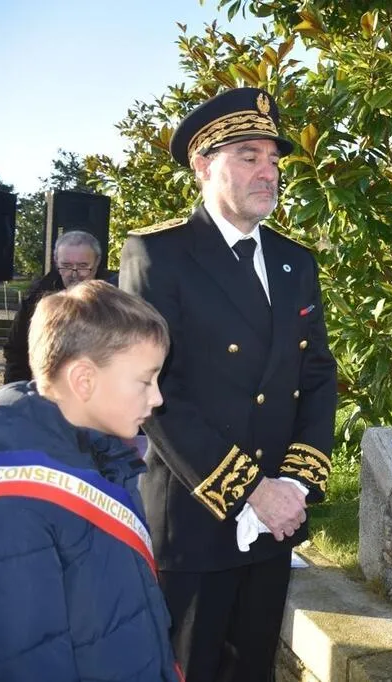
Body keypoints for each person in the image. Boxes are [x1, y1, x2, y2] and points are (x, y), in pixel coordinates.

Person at [119, 87, 337, 682]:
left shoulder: (296, 260)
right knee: (188, 668)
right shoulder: (157, 255)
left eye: (273, 160)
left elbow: (315, 375)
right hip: (198, 514)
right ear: (202, 164)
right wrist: (251, 490)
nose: (268, 173)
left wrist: (293, 483)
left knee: (253, 667)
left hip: (277, 517)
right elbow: (150, 389)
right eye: (248, 156)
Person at [0, 280, 180, 681]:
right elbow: (27, 657)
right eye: (146, 381)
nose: (158, 398)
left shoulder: (100, 455)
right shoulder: (13, 504)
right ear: (84, 380)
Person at [3, 229, 115, 383]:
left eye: (83, 266)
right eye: (66, 265)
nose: (74, 274)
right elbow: (16, 352)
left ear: (97, 262)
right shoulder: (36, 298)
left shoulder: (115, 299)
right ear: (56, 261)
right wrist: (17, 394)